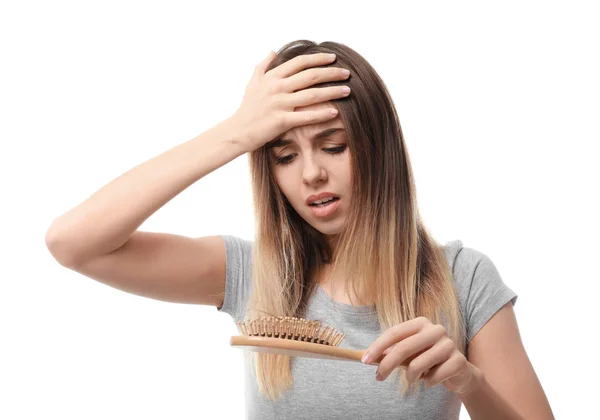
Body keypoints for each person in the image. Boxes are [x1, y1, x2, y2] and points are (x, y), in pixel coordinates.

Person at [45, 40, 554, 420]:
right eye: (285, 156)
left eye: (333, 146)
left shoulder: (462, 280)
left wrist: (468, 381)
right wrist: (236, 133)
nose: (310, 173)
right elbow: (72, 243)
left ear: (380, 149)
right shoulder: (252, 273)